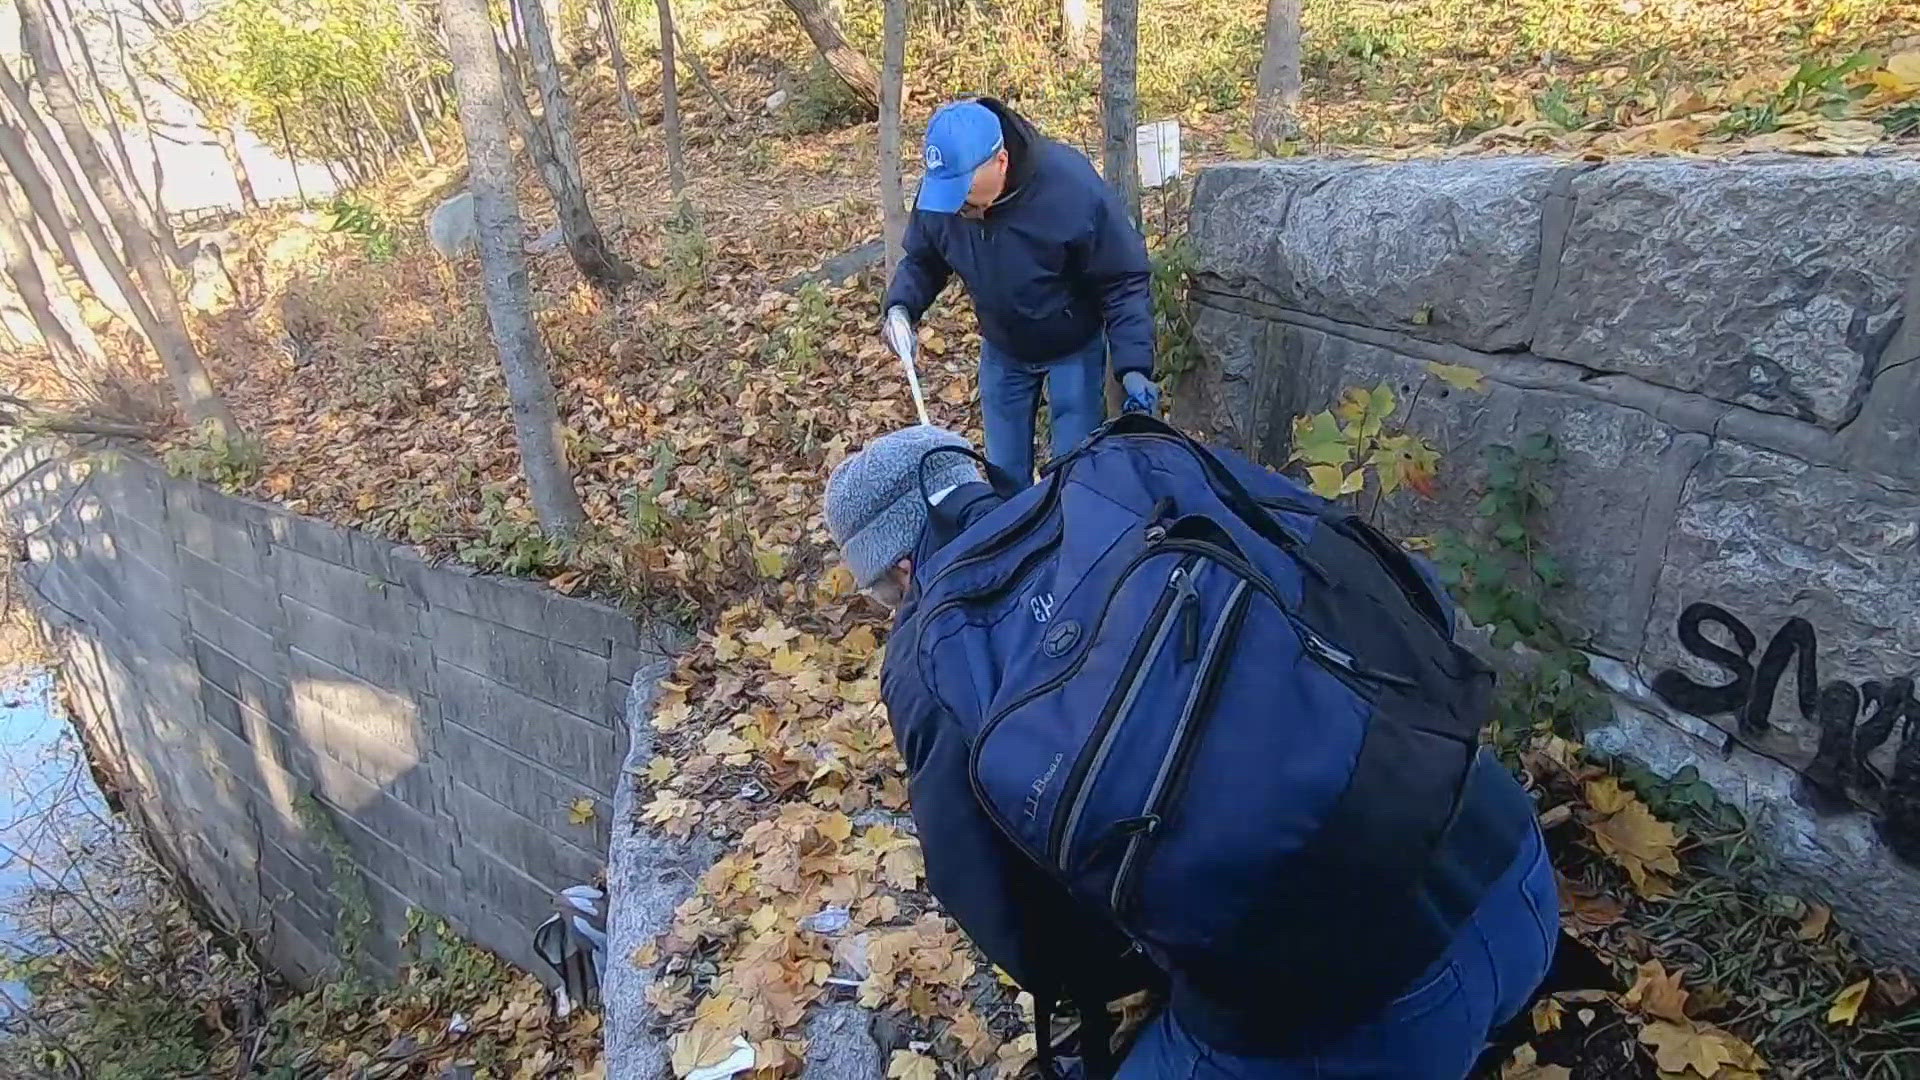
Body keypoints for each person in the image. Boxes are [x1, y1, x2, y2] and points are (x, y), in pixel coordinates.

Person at [823, 423, 1559, 1080]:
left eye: (884, 600)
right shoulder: (1133, 483)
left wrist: (1146, 934)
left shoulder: (933, 659)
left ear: (904, 570)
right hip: (1508, 863)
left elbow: (1025, 934)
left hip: (1351, 1014)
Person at [881, 97, 1161, 490]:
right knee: (1004, 475)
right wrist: (900, 307)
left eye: (965, 193)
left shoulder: (1070, 189)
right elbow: (925, 259)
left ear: (1001, 161)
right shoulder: (942, 196)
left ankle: (1069, 524)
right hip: (1003, 348)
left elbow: (1122, 278)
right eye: (949, 195)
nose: (957, 208)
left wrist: (1133, 366)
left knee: (1074, 472)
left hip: (1072, 346)